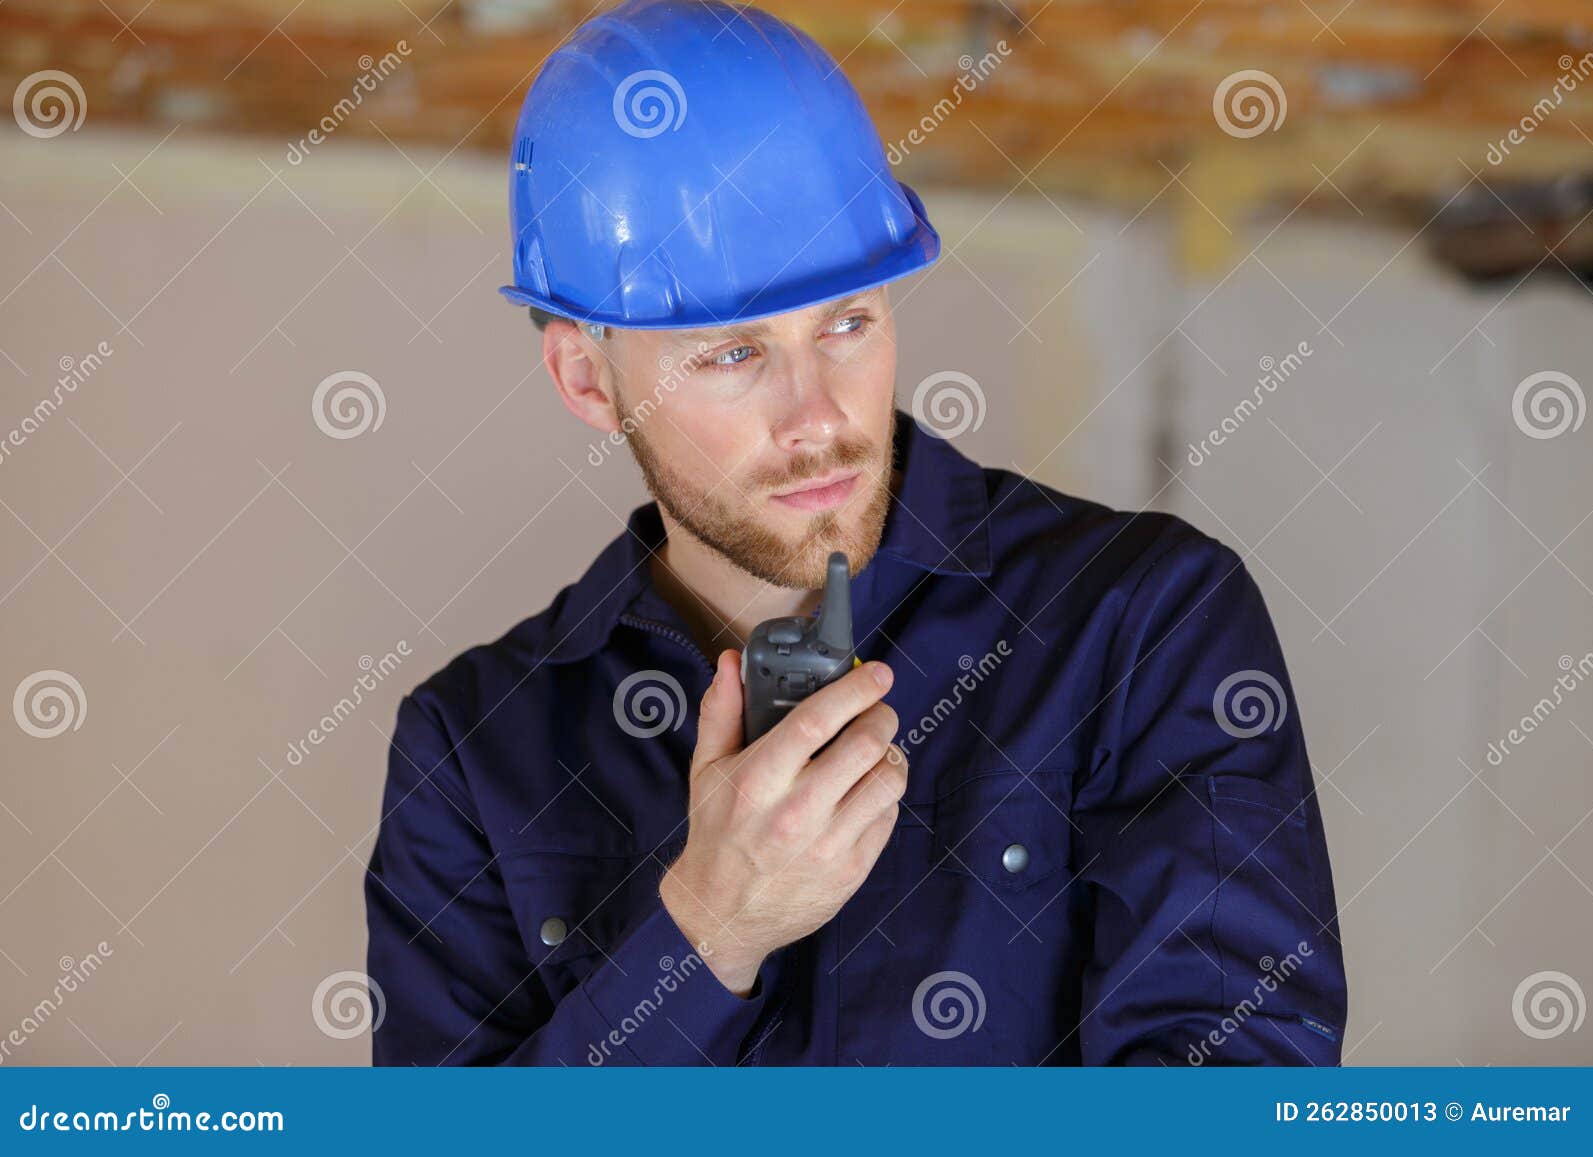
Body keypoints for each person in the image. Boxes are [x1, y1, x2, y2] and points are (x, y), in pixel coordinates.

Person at [364, 0, 1347, 1065]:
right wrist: (707, 934)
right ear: (586, 379)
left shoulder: (1141, 622)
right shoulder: (474, 747)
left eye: (847, 322)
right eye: (733, 353)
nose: (819, 416)